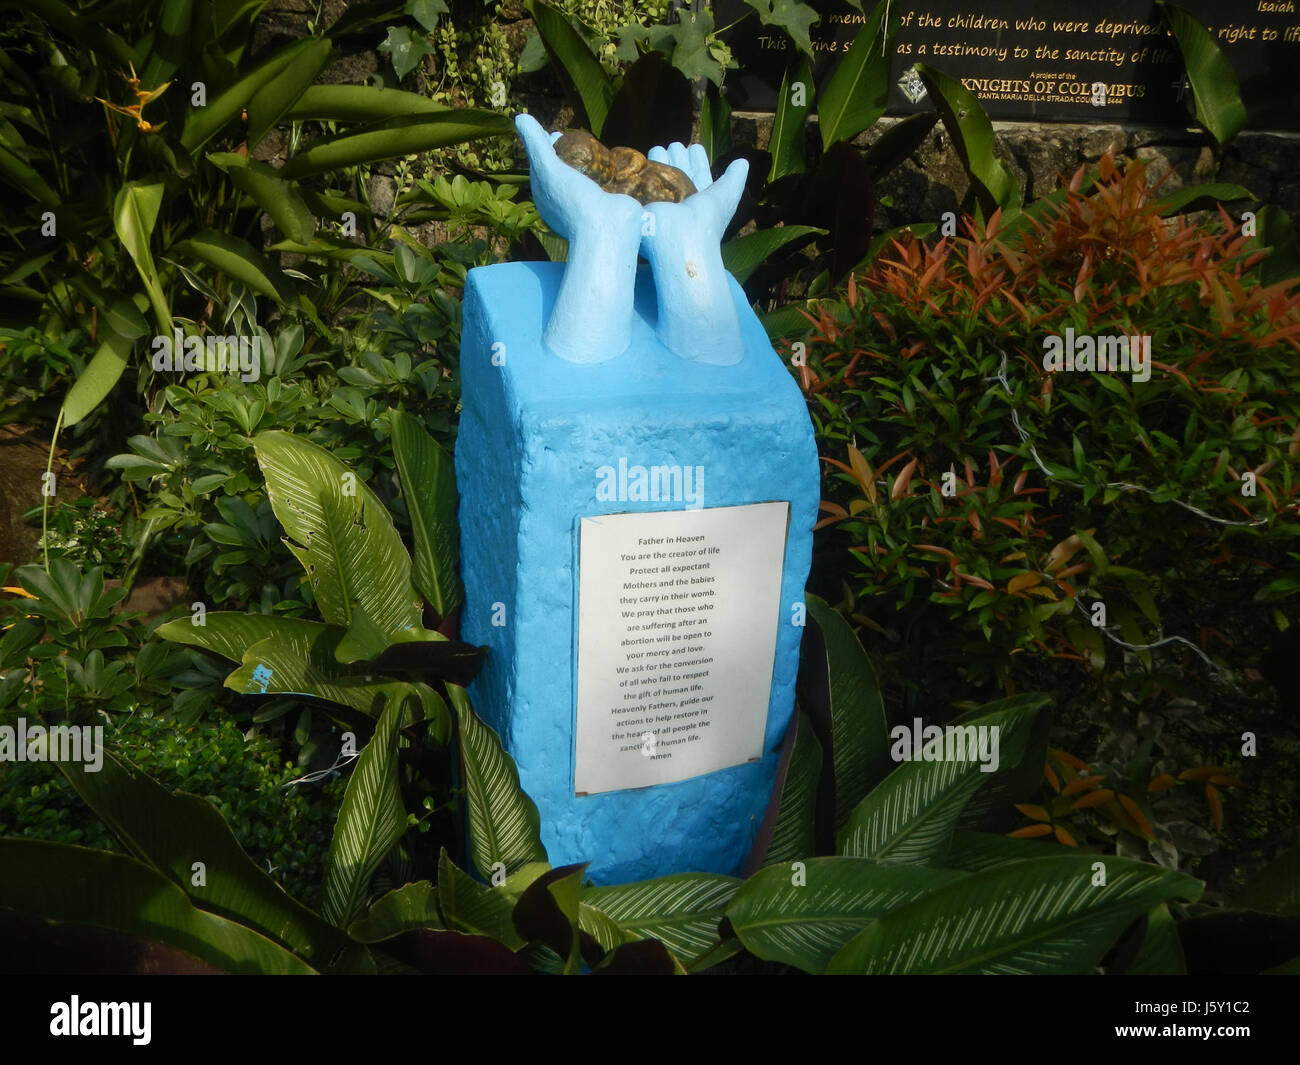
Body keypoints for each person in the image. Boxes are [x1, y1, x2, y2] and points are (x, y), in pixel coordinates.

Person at [514, 113, 750, 366]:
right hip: (671, 195)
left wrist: (692, 232)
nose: (601, 162)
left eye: (596, 150)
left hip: (674, 191)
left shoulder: (622, 171)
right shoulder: (616, 189)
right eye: (592, 163)